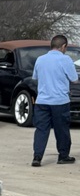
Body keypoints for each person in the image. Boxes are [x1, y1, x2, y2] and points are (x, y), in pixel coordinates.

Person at [31, 33, 78, 167]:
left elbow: (35, 77)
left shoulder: (40, 59)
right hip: (60, 101)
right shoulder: (65, 59)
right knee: (61, 129)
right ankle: (63, 156)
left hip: (42, 101)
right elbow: (74, 79)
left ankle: (37, 157)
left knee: (41, 130)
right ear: (63, 46)